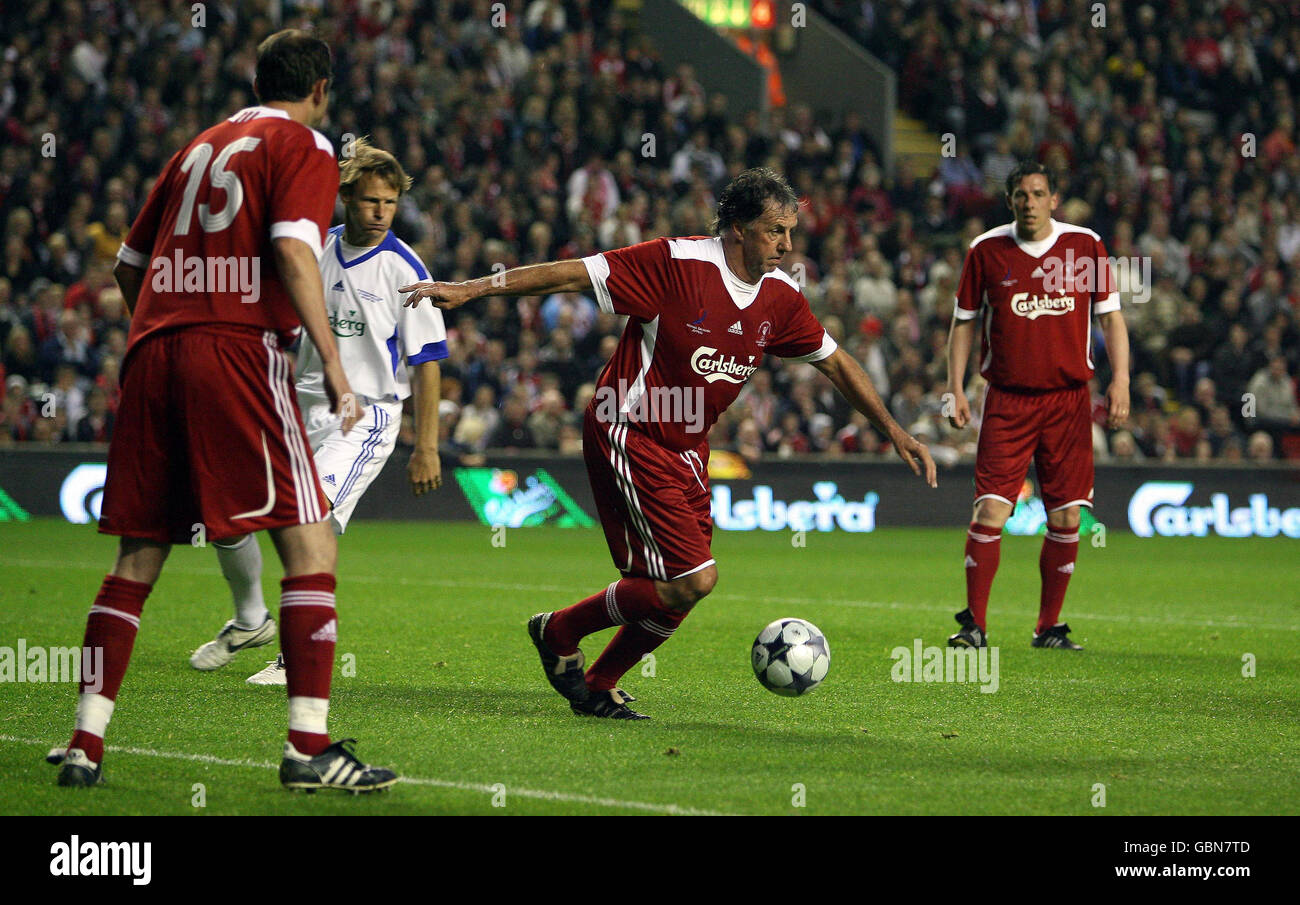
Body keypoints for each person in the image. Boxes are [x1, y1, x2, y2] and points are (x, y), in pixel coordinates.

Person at [401, 167, 937, 719]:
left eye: (791, 230)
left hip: (687, 448)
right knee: (693, 578)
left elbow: (836, 363)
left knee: (672, 585)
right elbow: (571, 276)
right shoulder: (675, 263)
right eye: (775, 230)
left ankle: (598, 682)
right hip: (628, 429)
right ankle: (560, 631)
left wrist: (894, 430)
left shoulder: (780, 295)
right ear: (736, 228)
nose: (788, 244)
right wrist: (470, 288)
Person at [48, 30, 396, 792]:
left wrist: (169, 331)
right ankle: (308, 748)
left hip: (151, 351)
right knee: (310, 546)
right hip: (236, 350)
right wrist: (333, 366)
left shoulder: (197, 145)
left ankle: (85, 741)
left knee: (136, 558)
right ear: (321, 89)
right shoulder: (304, 143)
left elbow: (127, 265)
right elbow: (294, 252)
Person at [190, 138, 448, 686]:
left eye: (390, 204)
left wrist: (426, 446)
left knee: (308, 525)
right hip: (299, 411)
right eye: (370, 201)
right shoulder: (314, 251)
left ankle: (295, 658)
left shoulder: (407, 271)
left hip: (366, 420)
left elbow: (427, 365)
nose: (380, 213)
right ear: (345, 198)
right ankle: (250, 618)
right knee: (227, 512)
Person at [945, 161, 1131, 651]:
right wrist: (956, 386)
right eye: (1020, 195)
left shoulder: (1084, 245)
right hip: (1007, 401)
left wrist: (1121, 381)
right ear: (1010, 202)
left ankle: (1048, 627)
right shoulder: (986, 250)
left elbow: (1111, 319)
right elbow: (964, 321)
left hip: (1069, 402)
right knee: (990, 510)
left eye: (1038, 193)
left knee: (1068, 517)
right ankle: (974, 625)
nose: (1029, 202)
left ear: (1054, 199)